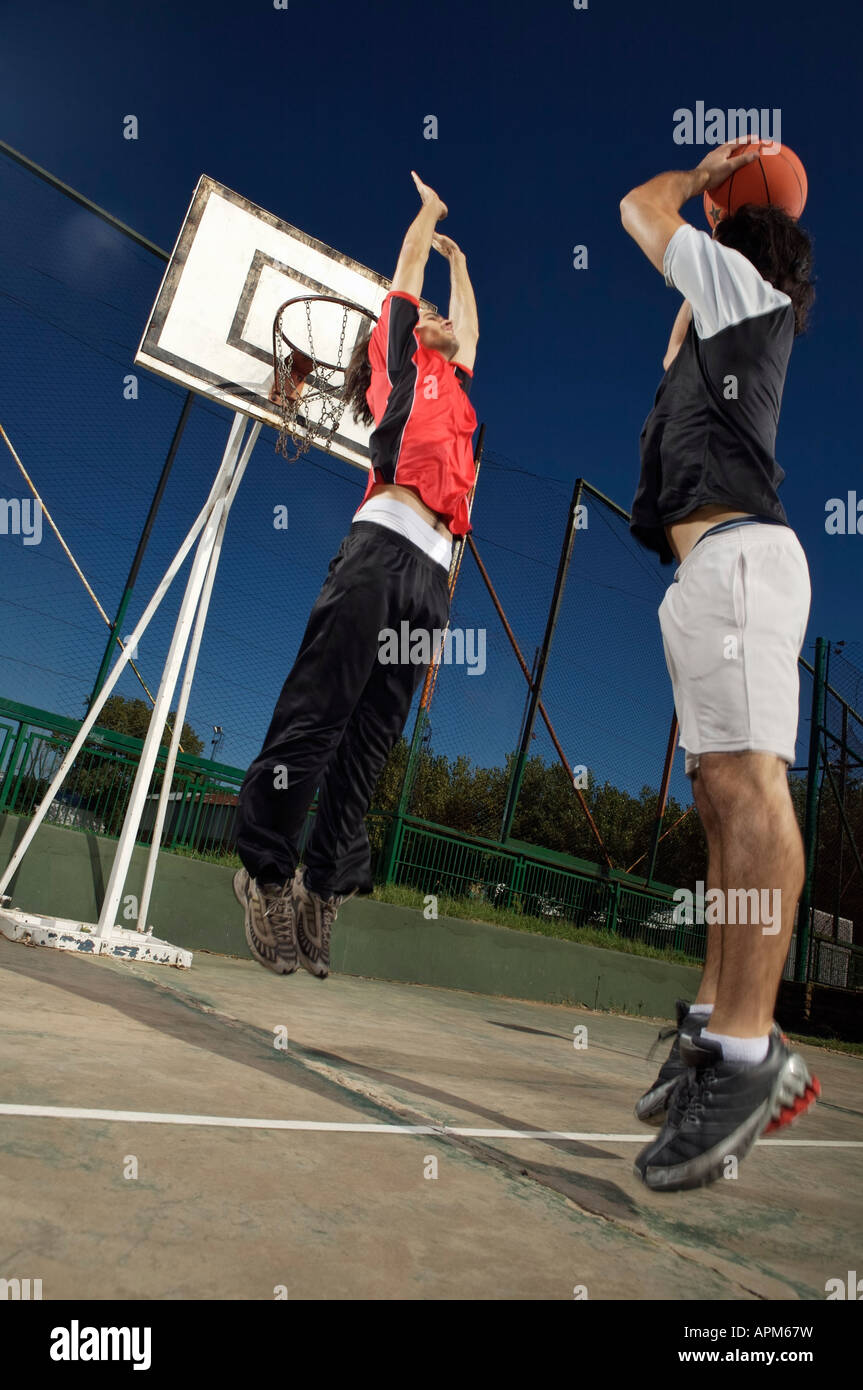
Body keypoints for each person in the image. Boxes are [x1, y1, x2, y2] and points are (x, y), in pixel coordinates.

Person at [619, 139, 820, 1191]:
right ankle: (713, 1026)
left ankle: (749, 1052)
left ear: (731, 238)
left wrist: (700, 177)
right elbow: (670, 351)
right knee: (714, 801)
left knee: (746, 791)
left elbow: (635, 209)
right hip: (709, 573)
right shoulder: (716, 313)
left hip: (741, 561)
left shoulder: (737, 286)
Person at [233, 172, 479, 981]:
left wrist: (464, 263)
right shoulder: (397, 362)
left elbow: (469, 331)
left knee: (371, 742)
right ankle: (264, 870)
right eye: (430, 318)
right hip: (379, 545)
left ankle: (322, 887)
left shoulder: (461, 393)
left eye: (443, 320)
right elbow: (404, 279)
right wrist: (428, 217)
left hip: (432, 577)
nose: (439, 320)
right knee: (317, 716)